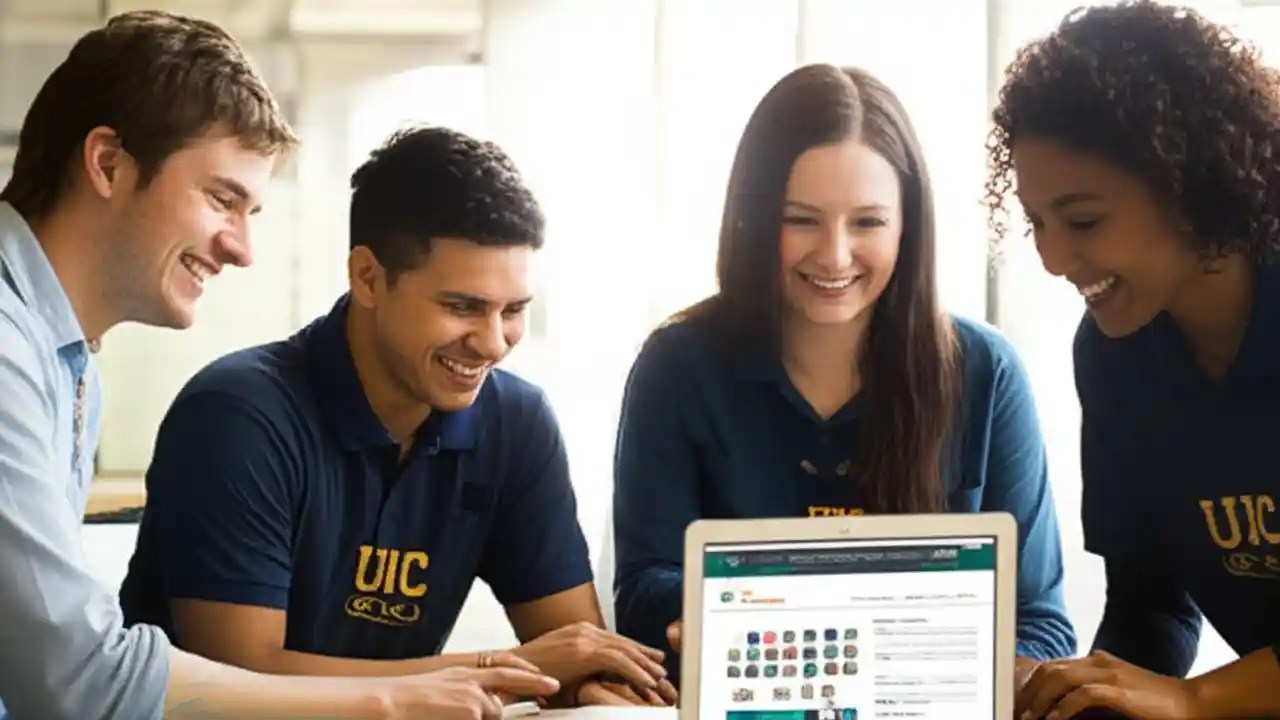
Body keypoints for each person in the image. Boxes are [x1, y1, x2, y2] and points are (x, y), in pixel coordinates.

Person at [0, 9, 562, 720]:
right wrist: (404, 696)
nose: (241, 248)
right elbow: (79, 682)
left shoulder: (63, 359)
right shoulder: (10, 352)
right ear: (108, 163)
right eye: (221, 199)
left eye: (251, 211)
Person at [118, 124, 678, 709]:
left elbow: (570, 649)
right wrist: (506, 667)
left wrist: (596, 688)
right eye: (462, 307)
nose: (492, 342)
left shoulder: (517, 422)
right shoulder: (237, 417)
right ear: (367, 278)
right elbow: (241, 680)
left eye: (513, 310)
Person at [611, 63, 1076, 685]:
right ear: (753, 218)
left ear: (908, 226)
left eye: (867, 222)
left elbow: (1040, 624)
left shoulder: (984, 371)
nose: (833, 255)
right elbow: (643, 596)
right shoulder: (677, 365)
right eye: (800, 219)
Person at [987, 2, 1280, 718]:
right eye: (1037, 223)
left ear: (1191, 183)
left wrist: (1194, 700)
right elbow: (1152, 608)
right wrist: (1086, 700)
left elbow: (1186, 698)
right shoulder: (1116, 357)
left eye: (1083, 220)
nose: (1055, 259)